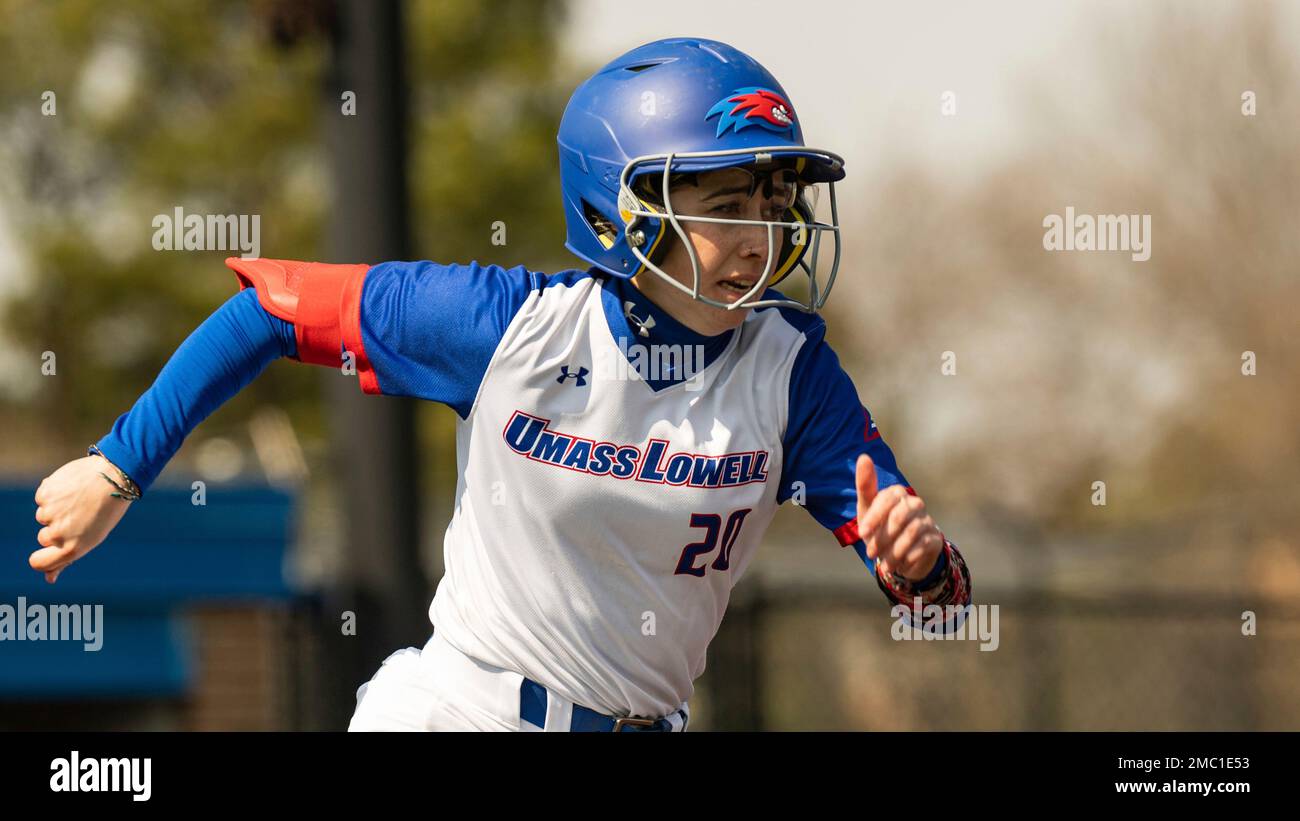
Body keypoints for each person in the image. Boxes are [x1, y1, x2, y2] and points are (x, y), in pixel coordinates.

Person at [30, 37, 971, 731]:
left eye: (775, 204)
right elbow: (269, 309)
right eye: (727, 206)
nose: (763, 239)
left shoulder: (794, 371)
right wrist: (117, 466)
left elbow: (936, 600)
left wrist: (920, 565)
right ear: (621, 214)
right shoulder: (508, 326)